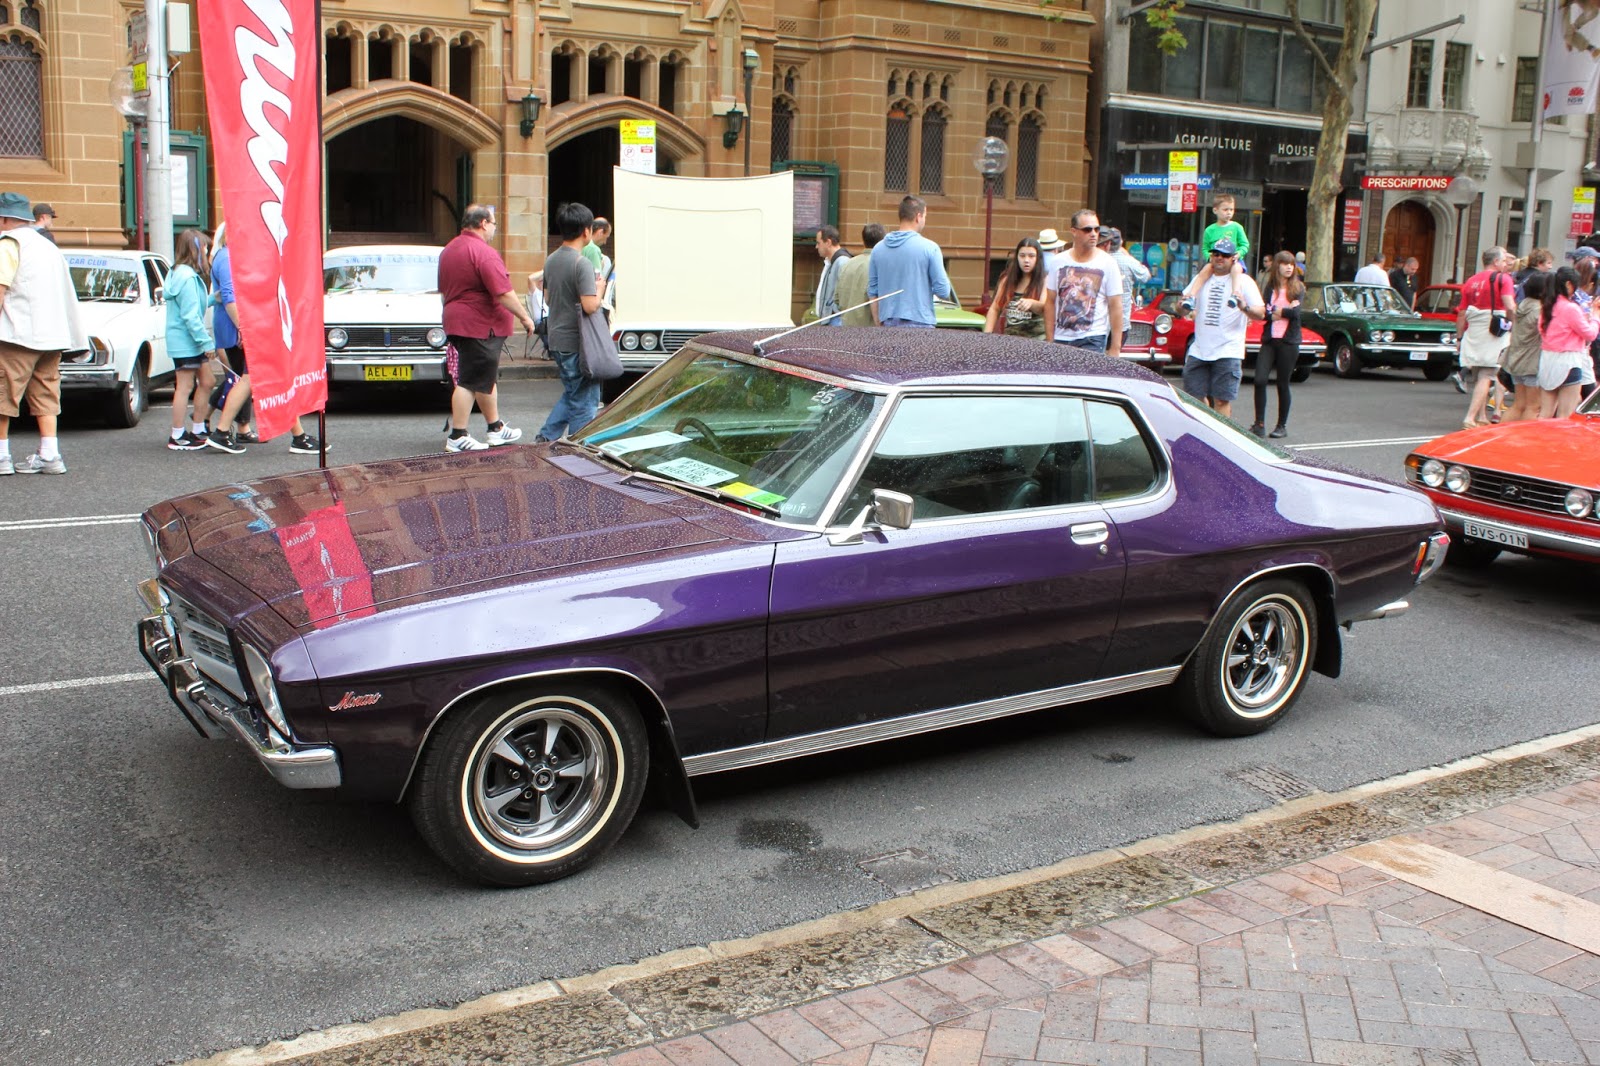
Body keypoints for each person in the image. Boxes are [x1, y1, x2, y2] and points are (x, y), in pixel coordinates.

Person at [205, 221, 325, 455]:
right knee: (257, 379)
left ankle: (295, 436)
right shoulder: (228, 258)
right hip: (242, 329)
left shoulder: (224, 256)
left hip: (238, 328)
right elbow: (231, 298)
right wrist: (245, 329)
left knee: (260, 379)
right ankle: (223, 431)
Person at [439, 203, 536, 453]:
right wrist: (525, 317)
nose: (494, 229)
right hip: (480, 324)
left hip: (459, 321)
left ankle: (495, 427)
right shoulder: (483, 252)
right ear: (483, 223)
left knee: (484, 377)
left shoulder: (449, 250)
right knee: (470, 381)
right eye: (493, 224)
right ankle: (458, 435)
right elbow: (503, 292)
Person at [0, 190, 84, 474]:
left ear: (4, 219)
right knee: (47, 394)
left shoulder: (8, 244)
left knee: (3, 396)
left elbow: (1, 288)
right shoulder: (48, 246)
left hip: (16, 333)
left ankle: (1, 456)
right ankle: (50, 455)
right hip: (53, 334)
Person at [535, 201, 605, 442]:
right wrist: (600, 290)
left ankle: (546, 437)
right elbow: (590, 305)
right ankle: (579, 448)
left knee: (573, 393)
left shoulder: (551, 260)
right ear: (586, 231)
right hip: (578, 342)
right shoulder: (582, 263)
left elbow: (547, 297)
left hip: (557, 338)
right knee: (585, 402)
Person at [1181, 238, 1265, 420]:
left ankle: (1221, 437)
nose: (1219, 258)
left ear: (1233, 258)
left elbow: (1260, 312)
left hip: (1228, 350)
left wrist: (1244, 307)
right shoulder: (1201, 278)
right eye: (1216, 254)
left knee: (1222, 400)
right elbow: (1179, 308)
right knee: (1192, 397)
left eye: (1225, 255)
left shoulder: (1244, 281)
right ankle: (1206, 427)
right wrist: (1182, 306)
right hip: (1199, 349)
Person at [162, 229, 217, 450]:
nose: (206, 251)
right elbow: (190, 316)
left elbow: (194, 305)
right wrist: (206, 343)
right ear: (194, 249)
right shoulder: (187, 277)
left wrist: (214, 299)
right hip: (186, 342)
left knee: (208, 381)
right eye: (204, 247)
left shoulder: (180, 273)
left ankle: (197, 429)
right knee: (185, 387)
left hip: (186, 340)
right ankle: (177, 435)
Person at [1042, 208, 1123, 356]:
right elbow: (1050, 301)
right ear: (1074, 231)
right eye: (1087, 229)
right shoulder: (1058, 262)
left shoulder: (1108, 263)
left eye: (1096, 229)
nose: (1093, 234)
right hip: (1061, 337)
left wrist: (1115, 348)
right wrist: (1049, 339)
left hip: (1092, 337)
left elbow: (1116, 305)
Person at [867, 195, 952, 327]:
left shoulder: (877, 249)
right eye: (925, 216)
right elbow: (943, 291)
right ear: (918, 217)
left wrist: (879, 323)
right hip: (920, 322)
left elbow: (873, 292)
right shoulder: (930, 248)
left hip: (887, 322)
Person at [1456, 246, 1517, 428]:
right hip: (1494, 328)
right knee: (1488, 373)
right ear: (1496, 261)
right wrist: (1516, 322)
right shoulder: (1503, 279)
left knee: (1477, 373)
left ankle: (1482, 416)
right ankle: (1470, 417)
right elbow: (1510, 306)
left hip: (1473, 328)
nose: (1506, 263)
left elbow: (1461, 313)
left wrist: (1459, 338)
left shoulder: (1471, 280)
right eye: (1504, 259)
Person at [1252, 251, 1303, 438]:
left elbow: (1295, 314)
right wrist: (1280, 310)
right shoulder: (1270, 288)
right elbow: (1265, 312)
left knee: (1282, 383)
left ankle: (1281, 425)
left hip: (1288, 342)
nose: (1289, 267)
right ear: (1277, 266)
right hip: (1270, 339)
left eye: (1292, 264)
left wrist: (1276, 310)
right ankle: (1259, 423)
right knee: (1259, 380)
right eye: (1285, 263)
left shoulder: (1298, 288)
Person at [1539, 265, 1599, 418]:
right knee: (1565, 416)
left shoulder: (1547, 306)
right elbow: (1590, 334)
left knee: (1545, 413)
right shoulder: (1571, 308)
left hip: (1547, 360)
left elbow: (1541, 330)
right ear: (1568, 285)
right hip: (1569, 362)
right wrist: (1596, 316)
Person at [1179, 194, 1249, 309]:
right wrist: (1209, 257)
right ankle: (1191, 296)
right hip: (1215, 260)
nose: (1229, 213)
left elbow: (1245, 244)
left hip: (1233, 259)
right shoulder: (1209, 230)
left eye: (1231, 209)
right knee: (1205, 270)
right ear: (1215, 210)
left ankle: (1235, 293)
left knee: (1236, 268)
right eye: (1225, 209)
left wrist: (1239, 253)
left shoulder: (1237, 227)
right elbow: (1205, 248)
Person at [1500, 271, 1546, 422]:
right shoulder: (1539, 310)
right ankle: (1525, 439)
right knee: (1533, 406)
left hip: (1515, 359)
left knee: (1518, 404)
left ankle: (1502, 434)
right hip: (1531, 362)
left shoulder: (1522, 305)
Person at [983, 236, 1047, 339]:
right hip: (1011, 339)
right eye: (1022, 256)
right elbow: (995, 308)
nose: (1026, 260)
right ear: (1017, 257)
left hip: (1036, 341)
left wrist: (1032, 303)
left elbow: (1044, 307)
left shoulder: (1044, 280)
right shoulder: (1007, 280)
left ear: (1038, 258)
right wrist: (986, 336)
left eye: (1031, 256)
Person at [1097, 226, 1150, 345]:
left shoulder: (1097, 259)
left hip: (1098, 324)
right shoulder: (1128, 261)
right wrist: (1126, 254)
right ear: (1121, 242)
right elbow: (1146, 275)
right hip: (1121, 323)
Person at [835, 223, 883, 326]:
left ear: (863, 241)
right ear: (882, 242)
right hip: (870, 333)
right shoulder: (881, 266)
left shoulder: (847, 265)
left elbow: (837, 299)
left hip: (847, 329)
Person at [811, 225, 852, 324]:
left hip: (835, 319)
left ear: (828, 242)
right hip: (829, 319)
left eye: (818, 243)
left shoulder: (842, 262)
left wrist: (832, 310)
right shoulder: (830, 262)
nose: (816, 247)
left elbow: (845, 294)